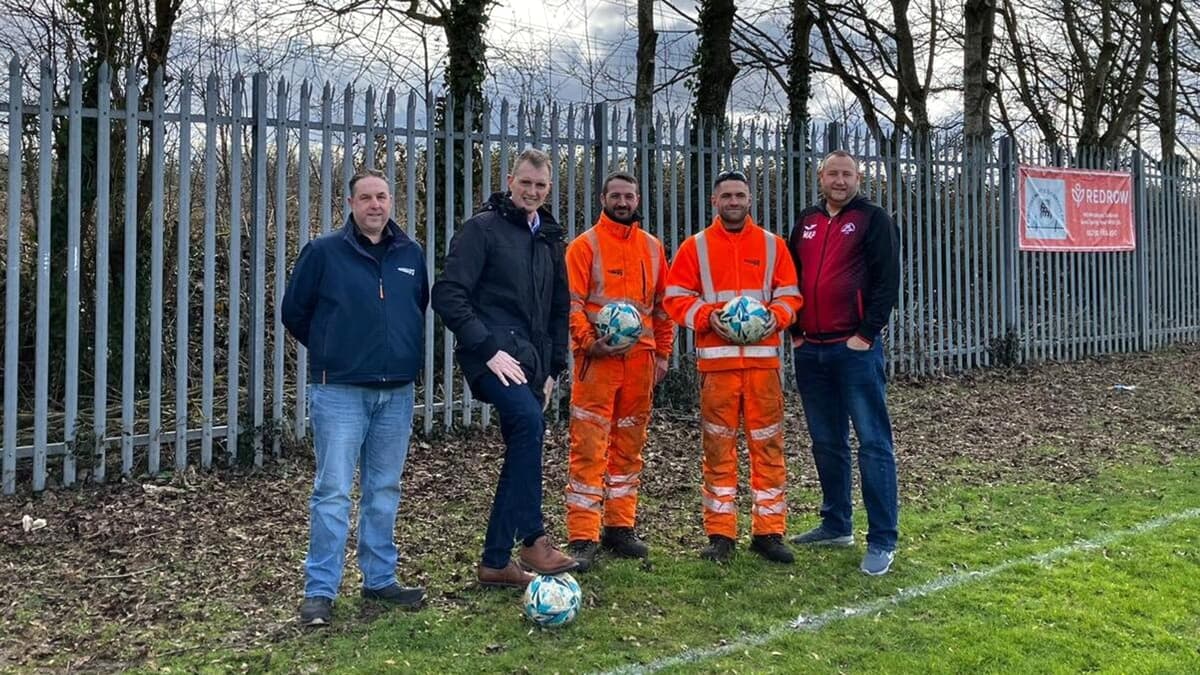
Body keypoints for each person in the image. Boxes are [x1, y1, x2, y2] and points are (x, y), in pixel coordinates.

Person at [281, 168, 428, 628]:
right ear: (350, 203)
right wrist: (334, 349)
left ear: (392, 202)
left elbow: (416, 305)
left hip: (396, 392)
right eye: (365, 197)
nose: (375, 205)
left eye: (382, 196)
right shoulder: (324, 252)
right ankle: (320, 591)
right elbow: (294, 312)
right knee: (333, 492)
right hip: (340, 390)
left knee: (384, 489)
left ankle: (380, 579)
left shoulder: (411, 253)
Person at [432, 148, 577, 589]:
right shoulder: (482, 230)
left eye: (540, 185)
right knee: (528, 424)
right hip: (491, 356)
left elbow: (558, 308)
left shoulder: (550, 239)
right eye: (525, 183)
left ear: (549, 189)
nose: (532, 192)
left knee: (528, 435)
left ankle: (501, 557)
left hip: (532, 363)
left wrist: (553, 370)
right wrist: (489, 349)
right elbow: (448, 294)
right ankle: (528, 541)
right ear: (510, 181)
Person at [664, 170, 803, 564]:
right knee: (717, 450)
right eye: (726, 196)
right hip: (717, 368)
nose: (733, 202)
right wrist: (709, 317)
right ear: (714, 202)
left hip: (763, 368)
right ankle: (721, 534)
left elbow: (791, 296)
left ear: (750, 199)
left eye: (739, 195)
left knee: (769, 448)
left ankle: (769, 532)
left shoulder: (774, 246)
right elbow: (675, 298)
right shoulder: (696, 248)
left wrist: (774, 318)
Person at [787, 150, 901, 576]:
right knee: (826, 442)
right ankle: (836, 524)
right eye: (832, 173)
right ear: (820, 177)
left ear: (858, 177)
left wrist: (865, 335)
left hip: (854, 351)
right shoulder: (807, 221)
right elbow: (790, 277)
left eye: (847, 174)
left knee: (873, 444)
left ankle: (883, 539)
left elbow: (888, 282)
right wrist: (795, 333)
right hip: (811, 351)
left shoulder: (873, 219)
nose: (839, 180)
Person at [563, 171, 674, 571]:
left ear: (638, 199)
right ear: (602, 198)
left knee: (629, 446)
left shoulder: (652, 247)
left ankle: (619, 526)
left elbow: (663, 307)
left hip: (641, 362)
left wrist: (663, 354)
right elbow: (572, 304)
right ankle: (582, 534)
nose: (623, 202)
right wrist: (588, 341)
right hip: (596, 362)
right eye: (616, 196)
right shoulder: (583, 246)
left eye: (629, 195)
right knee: (589, 448)